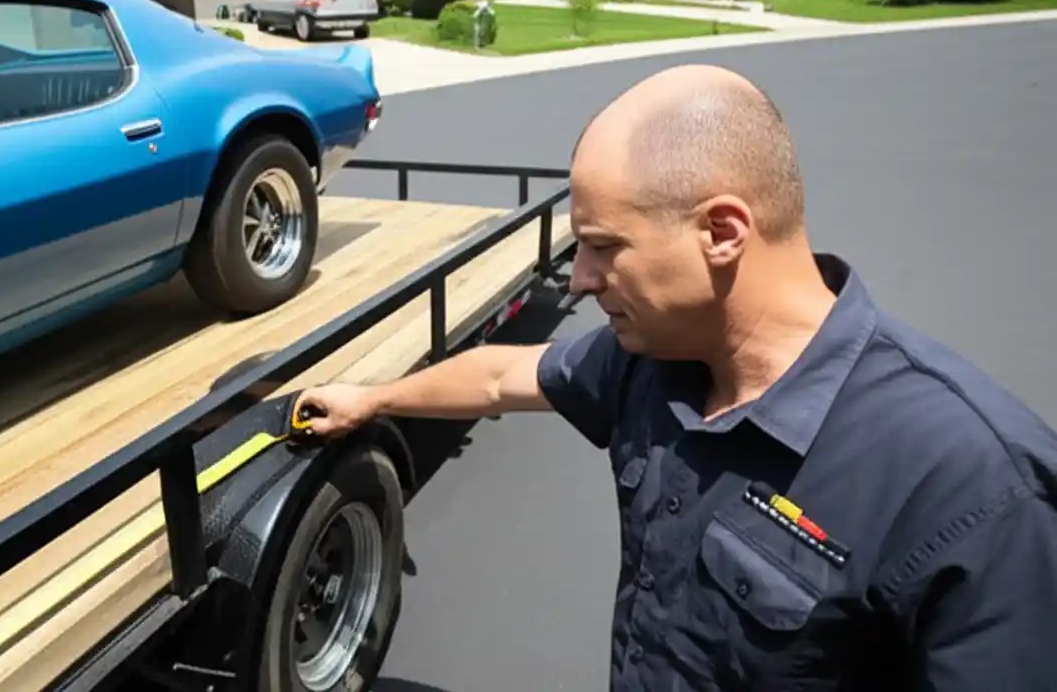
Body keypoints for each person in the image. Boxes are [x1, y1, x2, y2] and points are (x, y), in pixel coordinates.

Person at [295, 64, 1057, 690]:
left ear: (722, 233)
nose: (580, 281)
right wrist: (373, 399)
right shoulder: (655, 362)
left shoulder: (973, 489)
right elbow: (501, 377)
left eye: (601, 246)